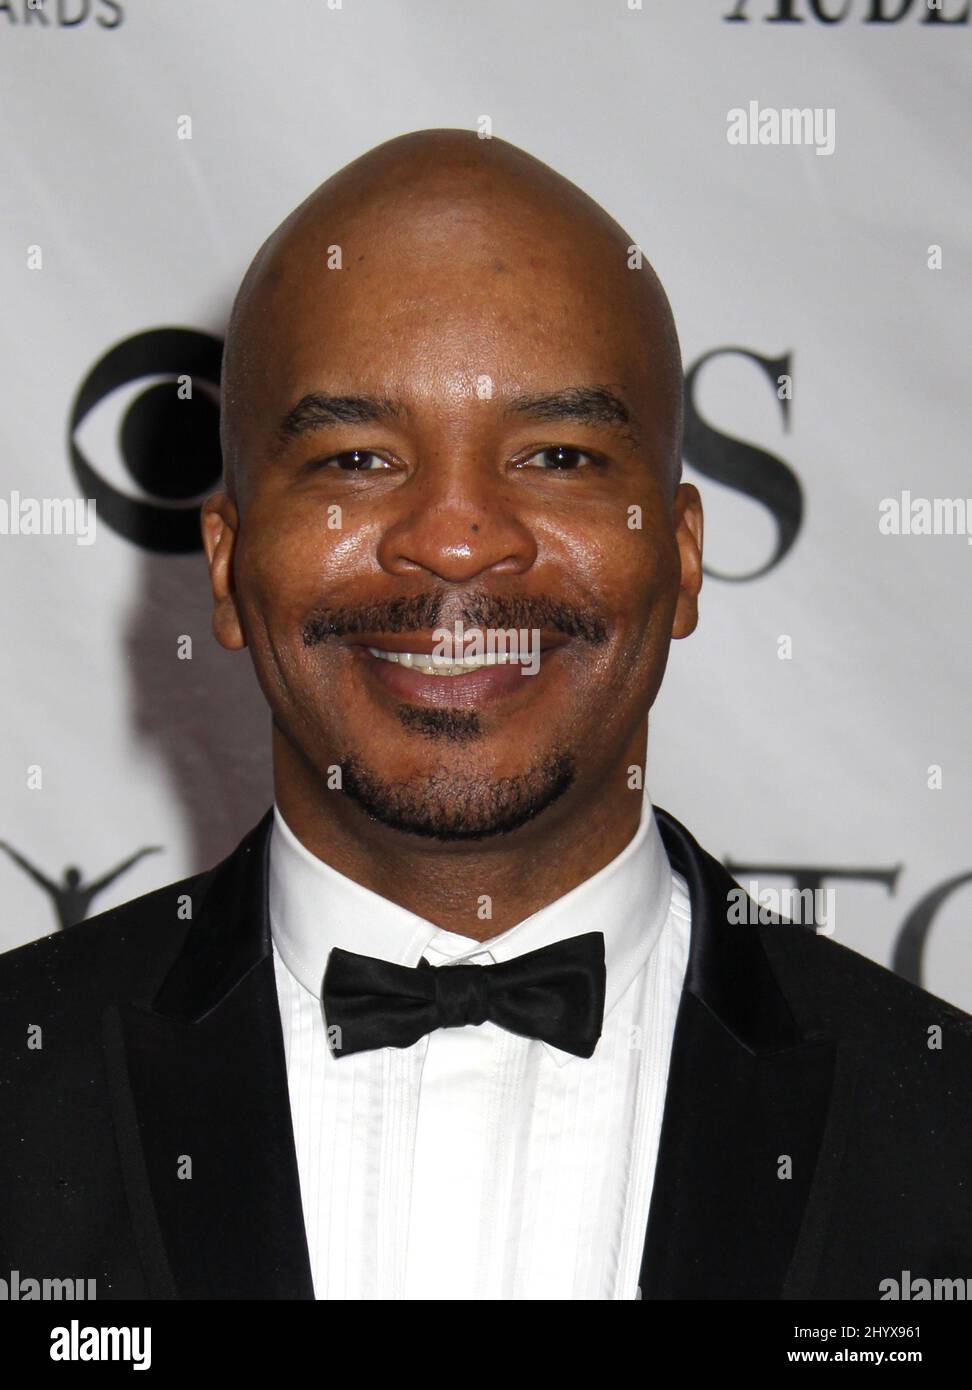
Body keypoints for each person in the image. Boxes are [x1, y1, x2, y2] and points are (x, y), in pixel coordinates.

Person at [2, 130, 970, 1301]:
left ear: (681, 553)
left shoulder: (939, 1134)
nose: (456, 536)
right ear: (226, 563)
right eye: (358, 458)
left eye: (557, 454)